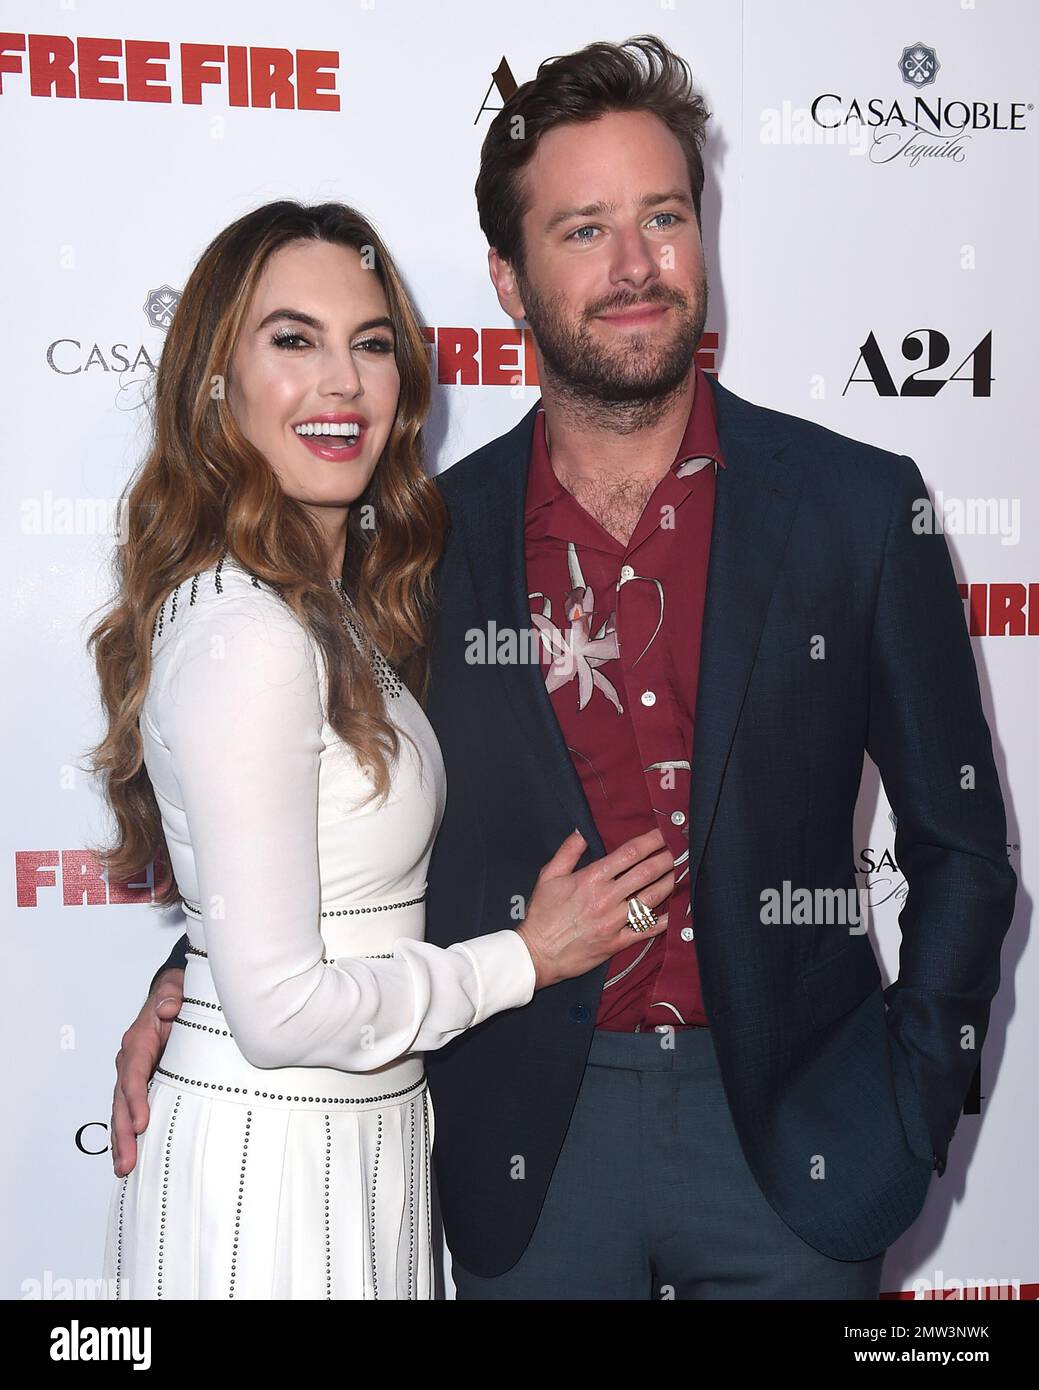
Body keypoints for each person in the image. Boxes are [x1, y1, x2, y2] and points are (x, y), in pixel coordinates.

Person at [115, 35, 1017, 1300]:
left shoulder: (857, 508)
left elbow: (966, 847)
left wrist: (915, 1094)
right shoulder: (420, 542)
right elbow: (316, 804)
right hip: (522, 1136)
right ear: (507, 275)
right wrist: (188, 975)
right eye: (584, 229)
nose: (636, 265)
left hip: (801, 1144)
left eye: (663, 216)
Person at [88, 198, 673, 1300]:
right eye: (292, 339)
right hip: (273, 1167)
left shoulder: (335, 603)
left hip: (359, 1136)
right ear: (214, 382)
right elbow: (278, 1010)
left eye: (370, 344)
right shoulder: (250, 632)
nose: (342, 382)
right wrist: (528, 957)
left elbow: (311, 886)